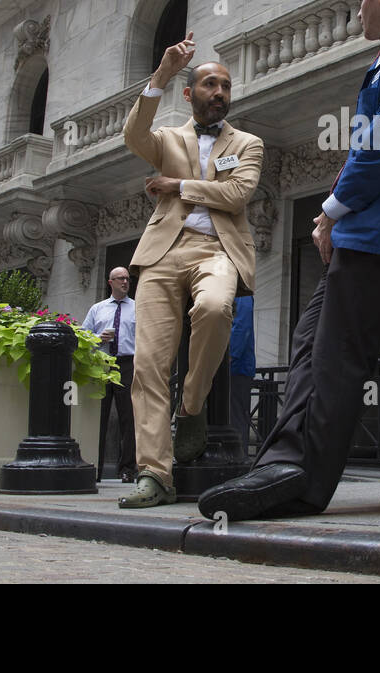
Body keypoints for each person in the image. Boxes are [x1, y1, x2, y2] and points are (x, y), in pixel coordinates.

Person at [199, 0, 380, 520]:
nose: (358, 7)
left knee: (336, 352)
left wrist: (329, 211)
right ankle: (285, 464)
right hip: (375, 225)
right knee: (312, 338)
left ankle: (299, 476)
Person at [118, 34, 263, 508]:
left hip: (216, 249)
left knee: (218, 307)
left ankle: (193, 404)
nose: (219, 92)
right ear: (190, 93)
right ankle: (154, 475)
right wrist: (160, 74)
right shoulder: (168, 140)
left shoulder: (248, 143)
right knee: (148, 367)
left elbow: (236, 195)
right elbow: (133, 136)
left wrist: (176, 184)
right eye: (209, 85)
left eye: (225, 86)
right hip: (161, 253)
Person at [81, 267, 138, 483]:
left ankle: (128, 469)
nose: (125, 282)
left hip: (127, 363)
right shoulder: (97, 309)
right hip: (102, 363)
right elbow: (84, 337)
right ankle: (95, 466)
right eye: (120, 279)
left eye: (127, 279)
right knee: (99, 417)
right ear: (110, 282)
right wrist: (98, 339)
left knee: (129, 418)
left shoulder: (137, 308)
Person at [228, 294, 256, 451]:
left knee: (236, 418)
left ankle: (239, 458)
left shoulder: (242, 294)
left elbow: (242, 326)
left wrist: (230, 355)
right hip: (232, 366)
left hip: (236, 368)